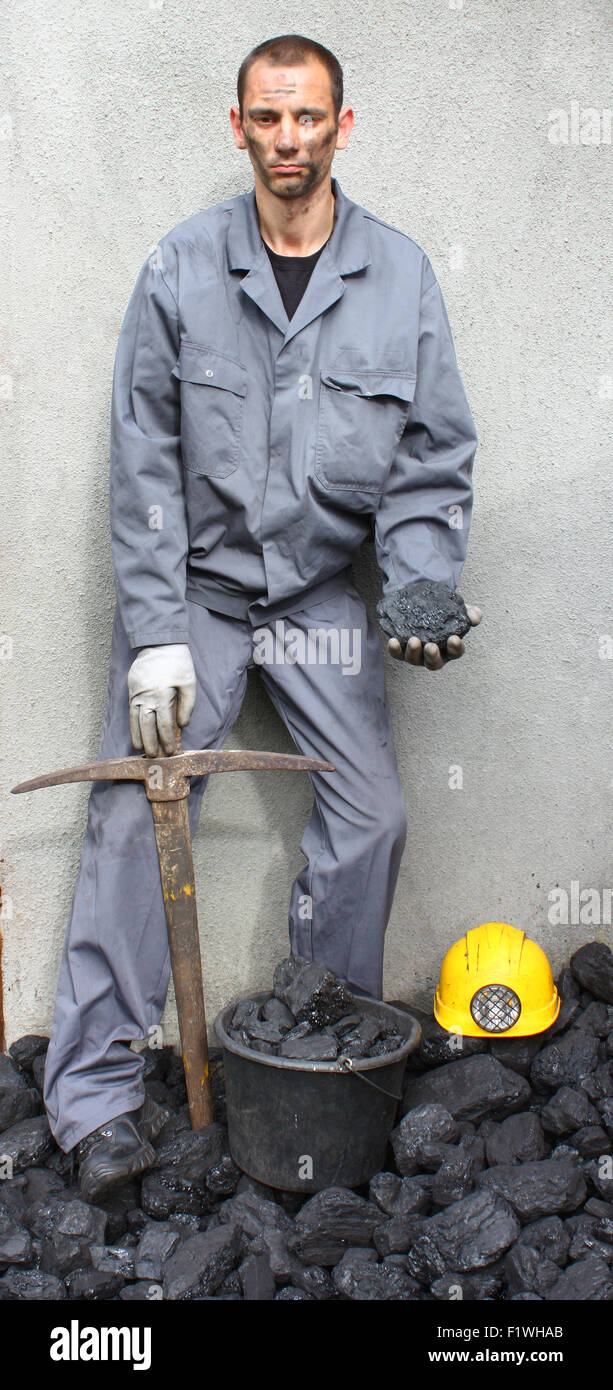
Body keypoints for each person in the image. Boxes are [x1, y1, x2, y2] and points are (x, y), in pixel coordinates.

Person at [43, 34, 482, 1200]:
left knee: (375, 815)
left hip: (323, 598)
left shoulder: (398, 277)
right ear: (236, 127)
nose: (290, 140)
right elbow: (141, 460)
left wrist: (423, 574)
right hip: (202, 593)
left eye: (309, 118)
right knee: (140, 811)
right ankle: (91, 1095)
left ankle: (315, 1041)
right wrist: (154, 632)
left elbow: (432, 459)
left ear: (346, 124)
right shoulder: (183, 269)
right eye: (268, 119)